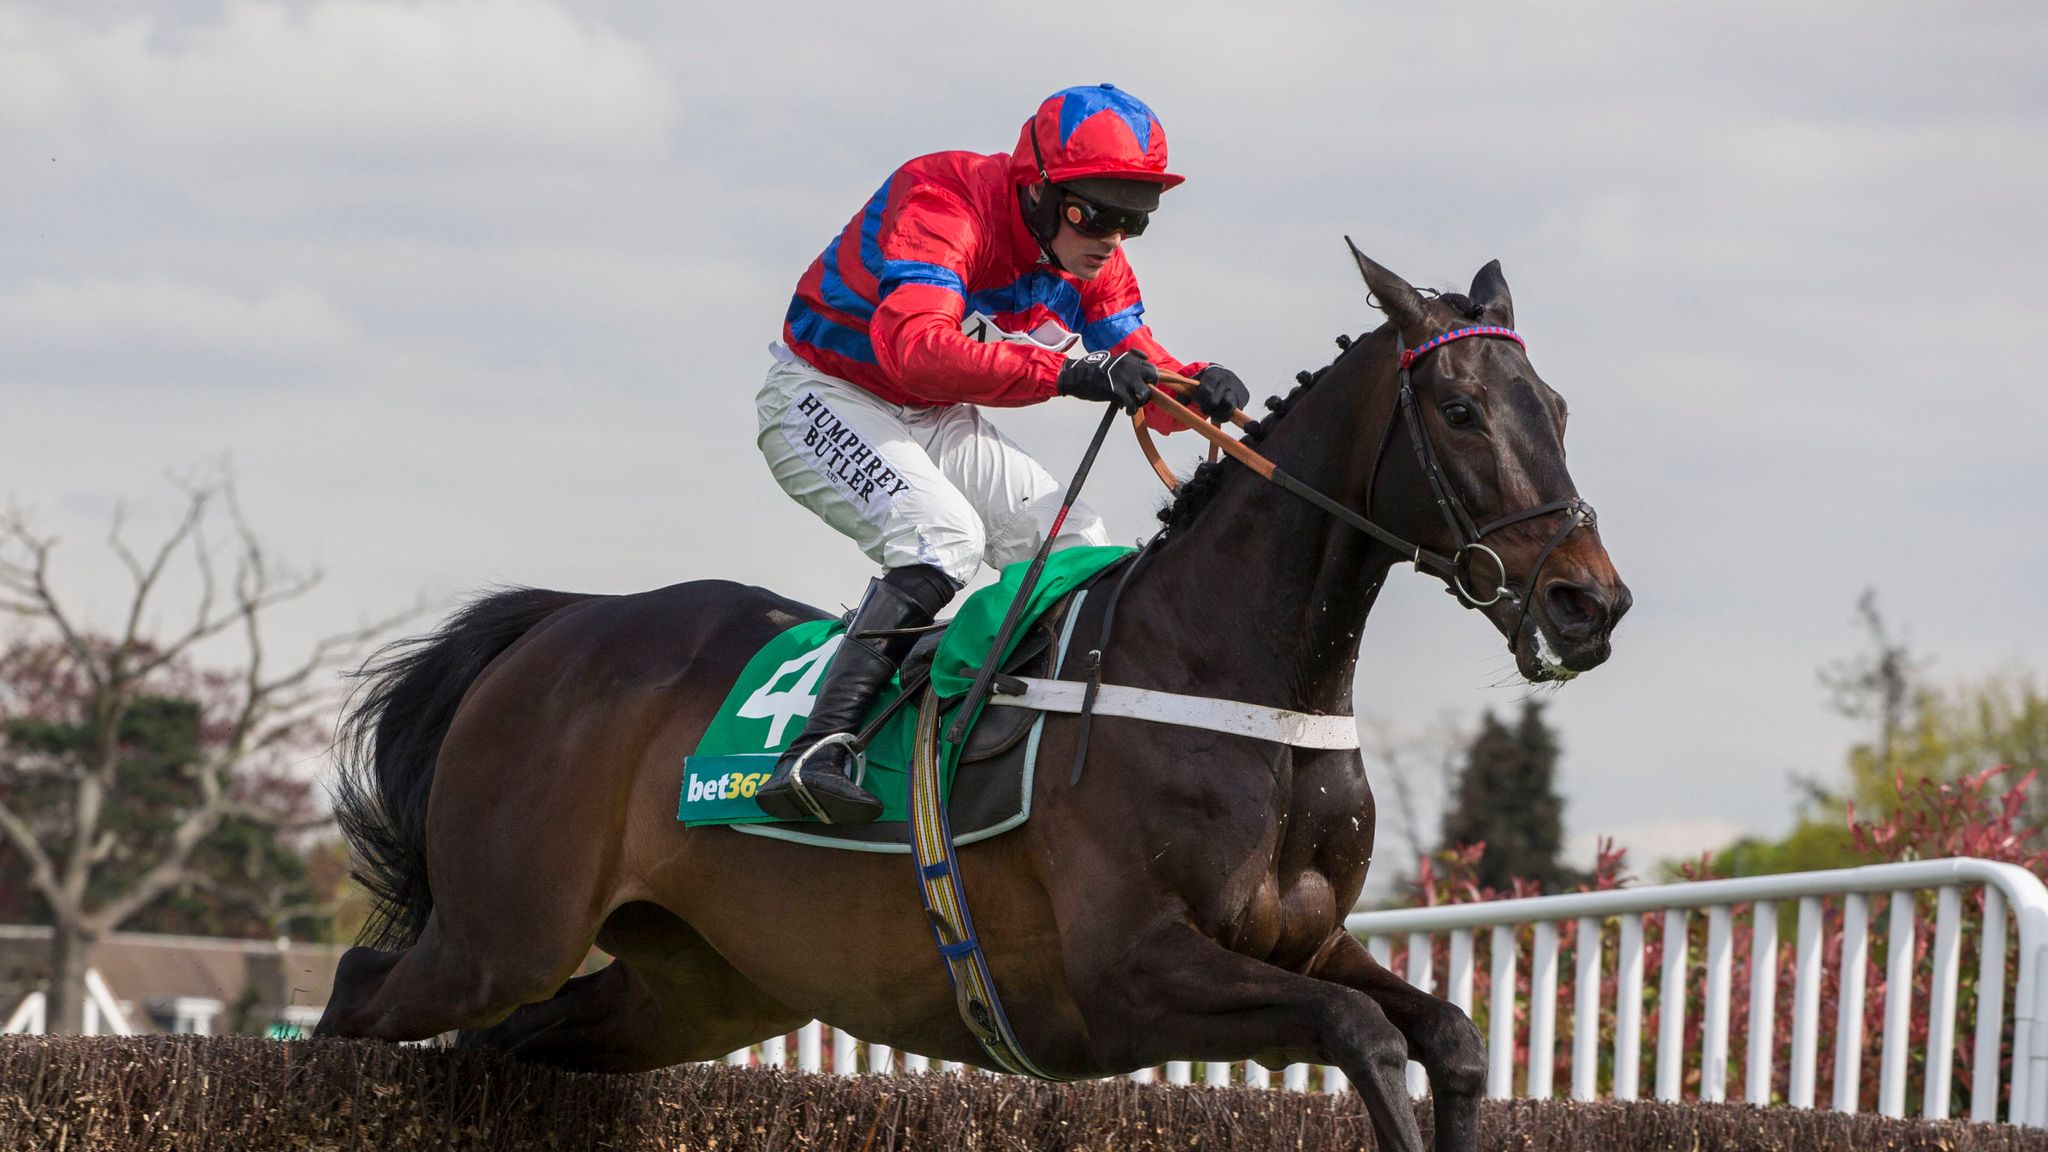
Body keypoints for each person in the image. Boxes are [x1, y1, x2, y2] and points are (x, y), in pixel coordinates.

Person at [754, 83, 1248, 824]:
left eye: (1133, 218)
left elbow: (1137, 365)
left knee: (1080, 548)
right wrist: (1072, 374)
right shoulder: (944, 197)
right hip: (822, 394)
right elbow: (915, 349)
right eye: (1095, 211)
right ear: (1039, 192)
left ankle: (1014, 742)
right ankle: (816, 751)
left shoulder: (1093, 260)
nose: (1112, 236)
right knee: (943, 536)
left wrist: (1194, 385)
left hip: (932, 412)